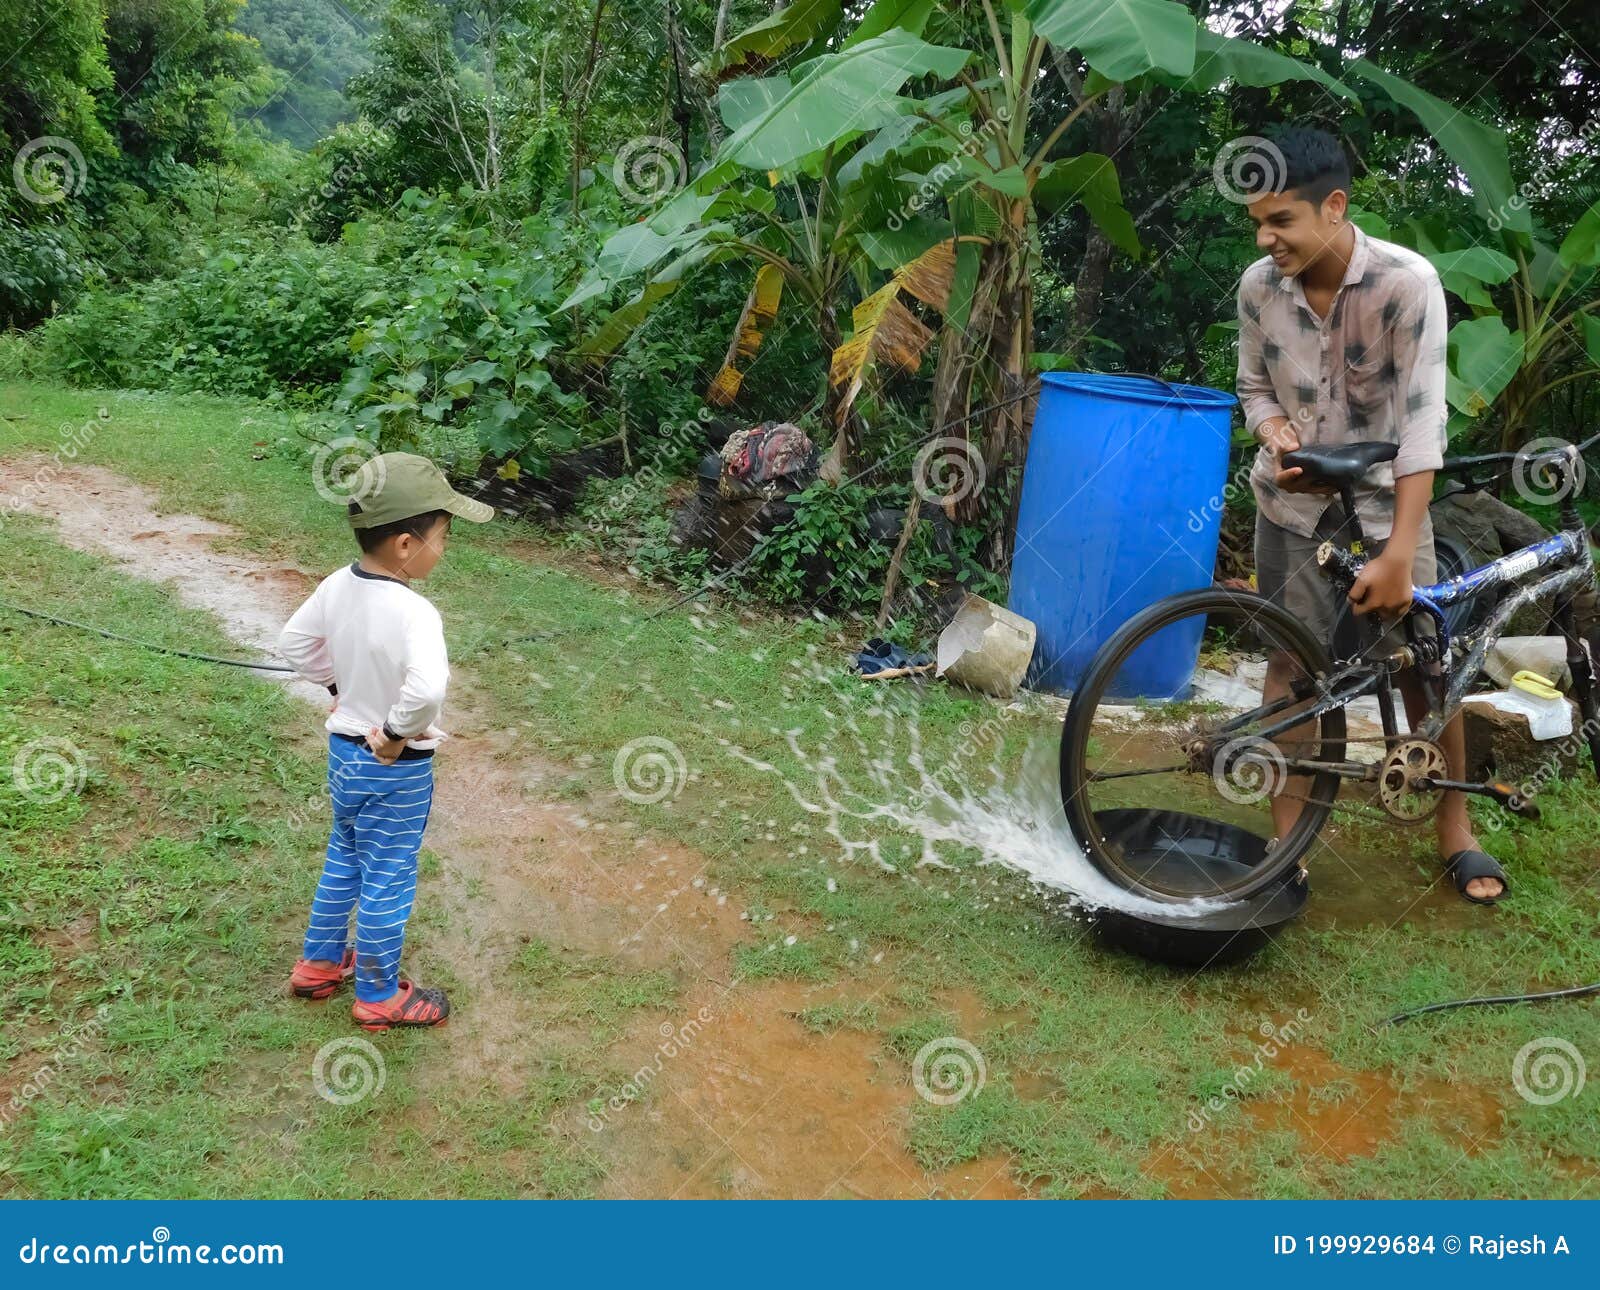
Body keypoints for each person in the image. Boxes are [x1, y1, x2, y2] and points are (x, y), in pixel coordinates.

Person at [1235, 125, 1507, 904]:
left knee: (1427, 666)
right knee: (1290, 669)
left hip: (1393, 510)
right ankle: (1287, 842)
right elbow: (1253, 387)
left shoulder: (1407, 284)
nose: (1266, 237)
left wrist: (1398, 555)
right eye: (1257, 220)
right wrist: (1273, 429)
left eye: (1281, 220)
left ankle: (1455, 828)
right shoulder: (1259, 288)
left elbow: (1423, 428)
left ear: (1335, 207)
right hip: (1289, 506)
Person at [278, 453, 494, 1027]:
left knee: (344, 856)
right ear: (405, 544)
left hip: (344, 756)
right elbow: (427, 691)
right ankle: (378, 995)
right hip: (393, 769)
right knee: (389, 873)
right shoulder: (415, 612)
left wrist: (337, 684)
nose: (444, 549)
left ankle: (318, 965)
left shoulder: (335, 586)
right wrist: (396, 735)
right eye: (443, 537)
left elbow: (293, 645)